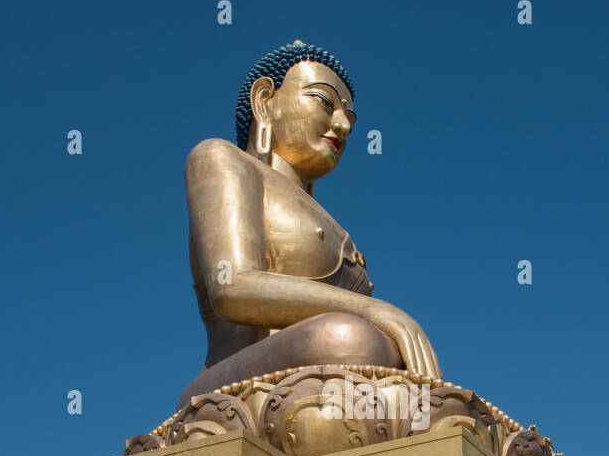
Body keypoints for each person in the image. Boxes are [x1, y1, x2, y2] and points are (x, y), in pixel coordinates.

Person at [176, 41, 441, 409]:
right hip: (232, 386)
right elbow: (231, 286)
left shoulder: (332, 221)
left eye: (350, 116)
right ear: (265, 100)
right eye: (324, 102)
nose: (343, 125)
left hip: (340, 370)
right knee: (348, 338)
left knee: (428, 394)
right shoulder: (221, 159)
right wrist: (374, 310)